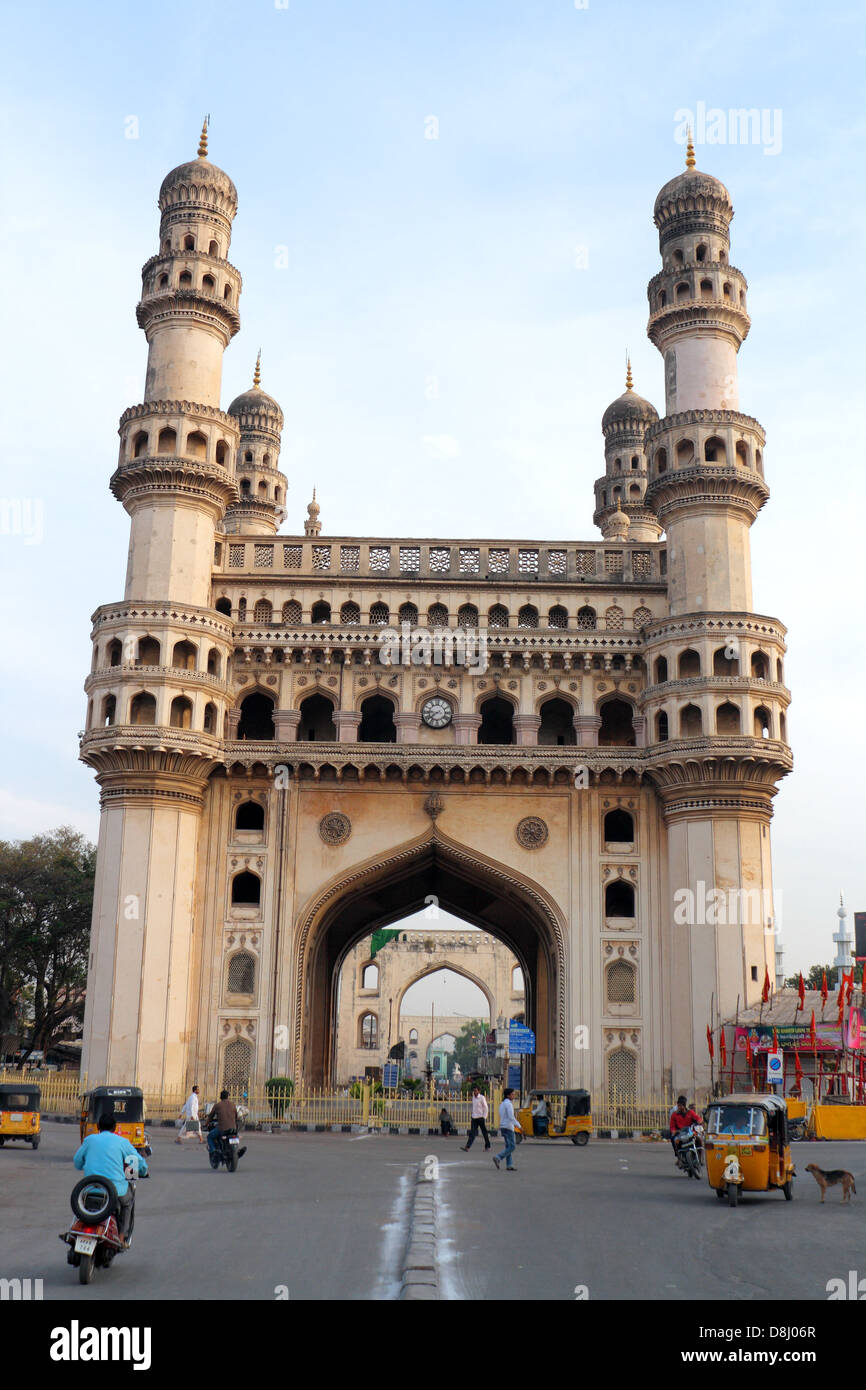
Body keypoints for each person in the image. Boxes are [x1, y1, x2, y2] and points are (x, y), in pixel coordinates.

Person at [72, 1113, 147, 1244]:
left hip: (89, 1188)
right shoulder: (122, 1142)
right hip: (116, 1191)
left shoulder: (89, 1140)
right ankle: (122, 1237)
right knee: (127, 1203)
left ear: (97, 1126)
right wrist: (143, 1171)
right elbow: (138, 1162)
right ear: (115, 1127)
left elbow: (77, 1163)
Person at [206, 1090, 246, 1161]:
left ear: (220, 1097)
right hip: (233, 1129)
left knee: (209, 1137)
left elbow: (210, 1116)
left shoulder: (217, 1105)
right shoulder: (233, 1105)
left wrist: (206, 1124)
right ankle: (236, 1151)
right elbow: (236, 1116)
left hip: (222, 1129)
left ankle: (213, 1151)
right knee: (235, 1137)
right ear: (228, 1096)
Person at [492, 1088, 522, 1172]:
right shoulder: (508, 1104)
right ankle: (498, 1157)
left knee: (508, 1146)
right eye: (512, 1094)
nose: (514, 1096)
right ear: (508, 1095)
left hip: (503, 1126)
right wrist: (519, 1126)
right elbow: (511, 1117)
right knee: (512, 1146)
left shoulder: (502, 1104)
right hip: (508, 1127)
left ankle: (509, 1164)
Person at [669, 1095, 702, 1162]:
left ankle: (700, 1157)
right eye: (678, 1105)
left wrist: (699, 1121)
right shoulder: (674, 1115)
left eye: (680, 1106)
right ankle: (679, 1158)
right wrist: (673, 1131)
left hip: (690, 1132)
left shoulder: (690, 1113)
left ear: (684, 1106)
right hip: (679, 1133)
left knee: (699, 1139)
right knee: (674, 1140)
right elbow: (672, 1127)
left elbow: (698, 1118)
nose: (679, 1107)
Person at [461, 1086, 491, 1151]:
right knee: (472, 1133)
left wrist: (484, 1117)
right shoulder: (473, 1098)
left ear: (479, 1091)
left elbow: (486, 1107)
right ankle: (467, 1147)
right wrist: (472, 1115)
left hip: (480, 1117)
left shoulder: (482, 1098)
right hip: (474, 1118)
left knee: (484, 1133)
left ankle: (488, 1146)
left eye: (476, 1091)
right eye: (474, 1091)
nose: (474, 1092)